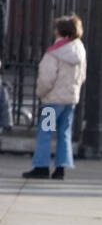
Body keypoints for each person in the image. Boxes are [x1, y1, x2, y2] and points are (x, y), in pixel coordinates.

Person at [22, 15, 86, 181]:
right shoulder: (79, 49)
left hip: (52, 102)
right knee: (65, 133)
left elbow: (46, 79)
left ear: (59, 31)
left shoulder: (55, 52)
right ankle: (61, 168)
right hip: (69, 101)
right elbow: (82, 75)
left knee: (45, 133)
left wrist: (41, 93)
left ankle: (41, 166)